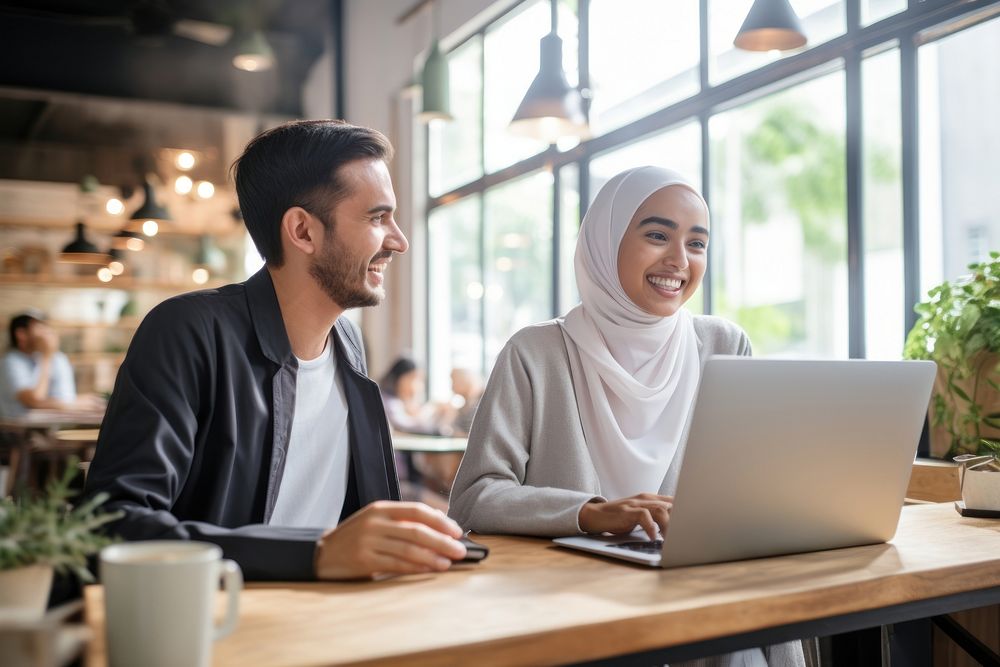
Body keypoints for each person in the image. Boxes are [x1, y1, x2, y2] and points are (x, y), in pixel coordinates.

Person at [448, 167, 804, 667]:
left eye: (697, 243)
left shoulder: (724, 346)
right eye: (658, 235)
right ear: (605, 241)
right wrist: (590, 512)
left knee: (733, 637)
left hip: (695, 590)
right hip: (572, 601)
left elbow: (752, 484)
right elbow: (473, 498)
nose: (679, 261)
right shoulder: (536, 352)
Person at [84, 120, 466, 581]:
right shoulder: (188, 332)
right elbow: (115, 526)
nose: (399, 240)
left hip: (335, 618)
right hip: (219, 624)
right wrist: (315, 553)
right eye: (377, 218)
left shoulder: (349, 345)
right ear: (303, 231)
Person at [0, 311, 102, 418]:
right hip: (18, 432)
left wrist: (78, 403)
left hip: (48, 427)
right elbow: (34, 401)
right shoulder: (10, 362)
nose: (46, 332)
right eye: (39, 327)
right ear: (21, 334)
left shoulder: (54, 359)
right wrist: (46, 356)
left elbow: (62, 398)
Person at [449, 367, 483, 437]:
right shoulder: (464, 406)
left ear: (463, 380)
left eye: (453, 381)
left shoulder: (481, 404)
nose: (452, 386)